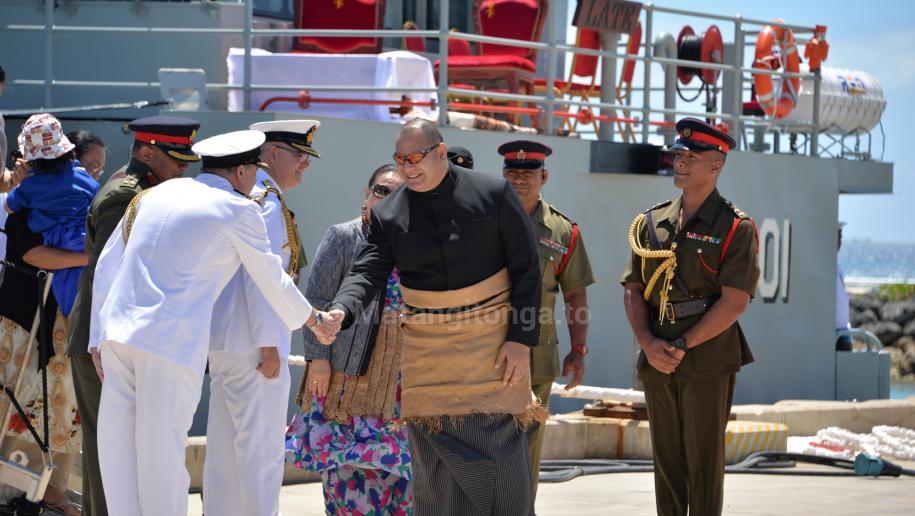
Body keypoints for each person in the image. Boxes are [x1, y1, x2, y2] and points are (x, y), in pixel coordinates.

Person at [88, 130, 336, 516]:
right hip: (168, 344)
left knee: (118, 450)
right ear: (240, 171)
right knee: (162, 456)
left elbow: (107, 264)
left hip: (118, 336)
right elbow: (271, 276)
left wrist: (96, 337)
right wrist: (315, 320)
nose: (256, 178)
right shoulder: (239, 209)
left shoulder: (155, 194)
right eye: (255, 169)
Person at [325, 118, 543, 515]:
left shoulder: (493, 193)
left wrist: (521, 340)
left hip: (492, 352)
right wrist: (342, 308)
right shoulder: (390, 212)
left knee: (502, 466)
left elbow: (527, 267)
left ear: (440, 152)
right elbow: (367, 268)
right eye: (400, 159)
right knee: (435, 473)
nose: (408, 168)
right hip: (429, 359)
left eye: (416, 157)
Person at [621, 118, 760, 516]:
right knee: (666, 463)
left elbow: (734, 302)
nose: (679, 162)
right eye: (678, 154)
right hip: (657, 354)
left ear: (716, 165)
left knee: (703, 463)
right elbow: (633, 290)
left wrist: (682, 345)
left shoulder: (736, 227)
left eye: (691, 157)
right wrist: (649, 344)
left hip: (707, 357)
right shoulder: (650, 223)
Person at [66, 115, 201, 516]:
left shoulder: (148, 192)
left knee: (124, 452)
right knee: (110, 455)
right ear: (146, 152)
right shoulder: (126, 196)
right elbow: (112, 276)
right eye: (176, 157)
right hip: (105, 345)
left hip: (123, 343)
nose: (183, 166)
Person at [203, 119, 321, 516]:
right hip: (256, 346)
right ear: (272, 154)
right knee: (261, 455)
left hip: (226, 342)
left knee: (224, 451)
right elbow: (263, 277)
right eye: (299, 155)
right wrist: (270, 345)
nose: (305, 164)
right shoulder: (266, 201)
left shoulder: (246, 196)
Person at [286, 164, 412, 515]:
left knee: (404, 483)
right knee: (348, 478)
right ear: (367, 193)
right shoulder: (344, 236)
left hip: (401, 386)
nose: (386, 198)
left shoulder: (417, 243)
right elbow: (319, 299)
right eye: (380, 190)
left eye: (398, 193)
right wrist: (319, 359)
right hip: (347, 378)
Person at [497, 140, 596, 499]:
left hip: (537, 359)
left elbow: (575, 295)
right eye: (512, 172)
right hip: (482, 352)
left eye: (528, 173)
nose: (519, 180)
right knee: (481, 444)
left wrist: (578, 349)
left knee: (527, 449)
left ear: (544, 176)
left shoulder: (562, 232)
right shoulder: (482, 219)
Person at [0, 206, 88, 515]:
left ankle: (52, 489)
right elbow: (33, 255)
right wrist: (89, 256)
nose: (92, 174)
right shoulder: (26, 211)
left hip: (62, 325)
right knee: (17, 397)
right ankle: (12, 490)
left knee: (62, 407)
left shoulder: (81, 209)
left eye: (97, 168)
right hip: (25, 321)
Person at [3, 114, 99, 317]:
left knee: (68, 297)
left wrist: (19, 181)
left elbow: (9, 206)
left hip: (56, 246)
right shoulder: (82, 176)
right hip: (84, 240)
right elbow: (95, 196)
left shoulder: (29, 187)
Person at [835, 222, 853, 351]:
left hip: (842, 332)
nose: (840, 242)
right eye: (838, 237)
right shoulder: (826, 267)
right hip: (833, 334)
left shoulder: (837, 267)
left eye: (840, 237)